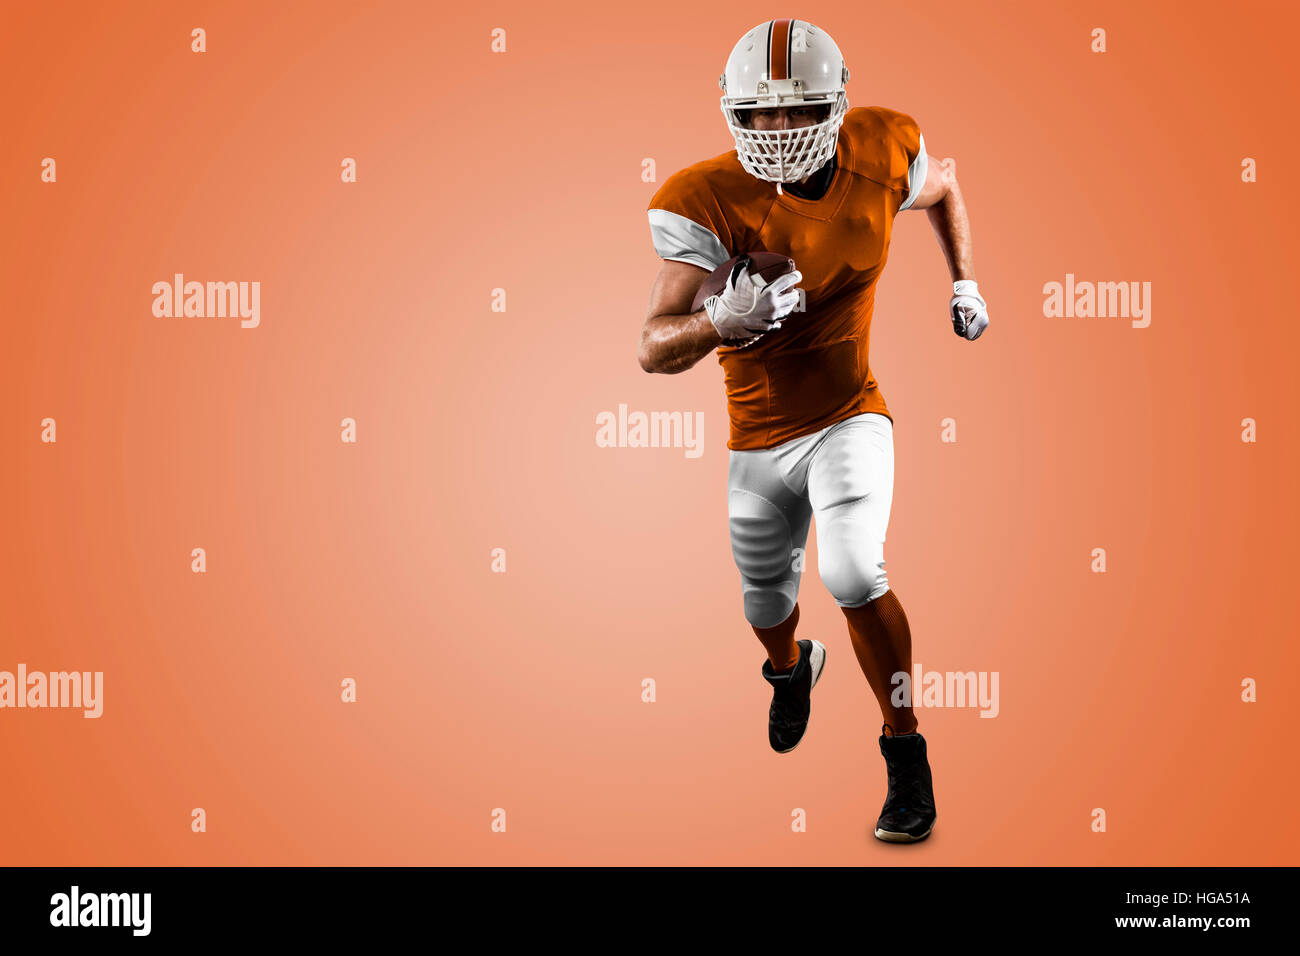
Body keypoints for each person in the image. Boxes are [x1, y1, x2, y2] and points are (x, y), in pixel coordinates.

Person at [639, 18, 990, 843]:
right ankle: (790, 672)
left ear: (835, 108)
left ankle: (906, 755)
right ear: (732, 113)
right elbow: (652, 347)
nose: (775, 131)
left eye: (795, 113)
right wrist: (721, 321)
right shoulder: (709, 196)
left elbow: (942, 190)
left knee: (853, 570)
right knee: (765, 600)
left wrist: (966, 283)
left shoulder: (882, 149)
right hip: (757, 437)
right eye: (758, 116)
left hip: (848, 414)